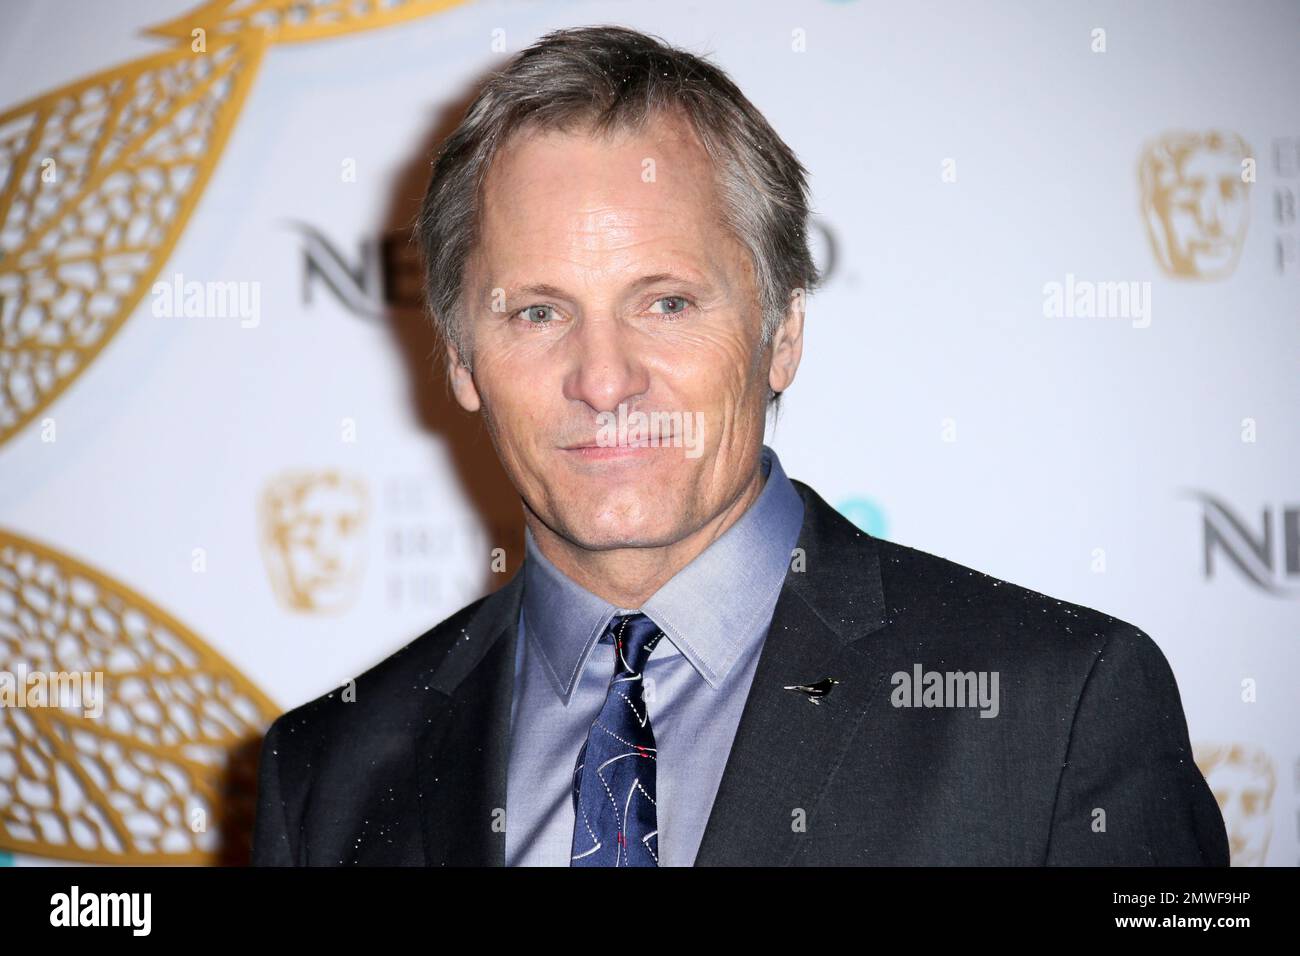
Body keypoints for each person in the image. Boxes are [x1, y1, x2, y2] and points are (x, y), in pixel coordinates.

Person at [252, 24, 1229, 867]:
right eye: (540, 311)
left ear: (784, 331)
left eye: (667, 302)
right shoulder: (327, 770)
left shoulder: (1057, 711)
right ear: (462, 360)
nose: (604, 377)